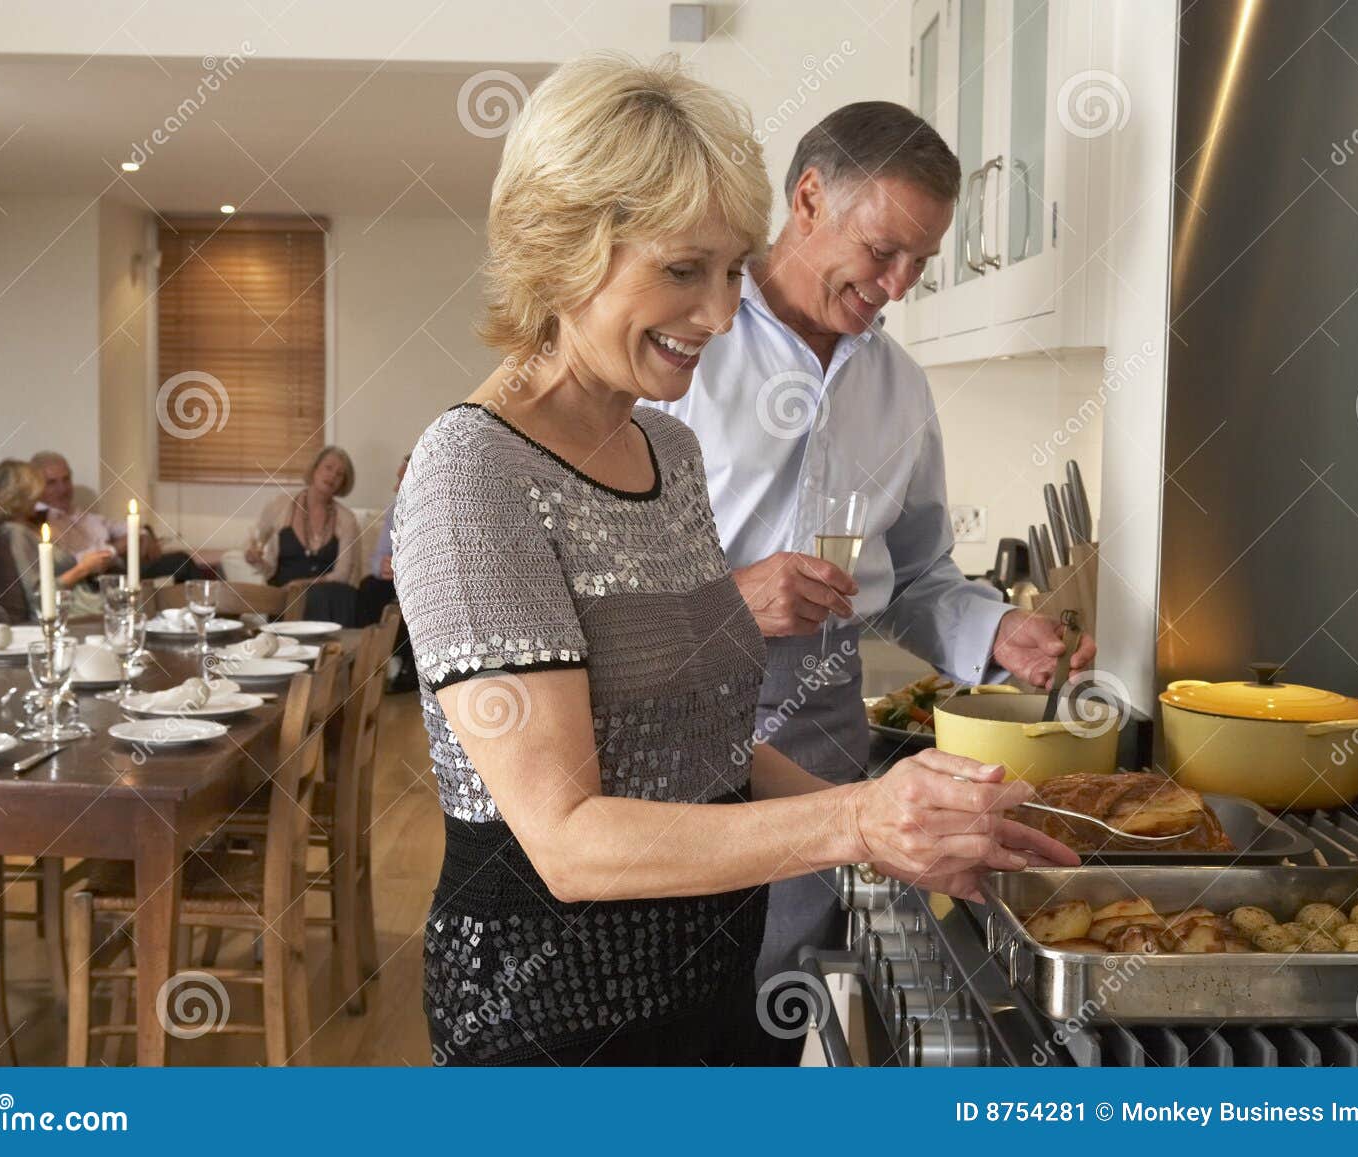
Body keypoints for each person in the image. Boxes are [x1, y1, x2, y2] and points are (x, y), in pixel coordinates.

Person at [392, 53, 1077, 1068]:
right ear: (560, 250)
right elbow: (567, 838)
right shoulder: (472, 472)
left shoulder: (663, 451)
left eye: (725, 271)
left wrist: (919, 809)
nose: (719, 314)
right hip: (552, 1017)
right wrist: (855, 817)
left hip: (708, 968)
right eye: (683, 271)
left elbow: (699, 745)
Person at [650, 100, 1099, 1057]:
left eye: (921, 264)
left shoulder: (900, 389)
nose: (896, 286)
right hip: (670, 716)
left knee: (783, 997)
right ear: (808, 197)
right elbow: (590, 598)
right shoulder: (684, 349)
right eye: (884, 249)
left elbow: (926, 575)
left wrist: (996, 634)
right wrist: (733, 601)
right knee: (673, 992)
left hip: (822, 722)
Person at [30, 451, 207, 583]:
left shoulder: (76, 512)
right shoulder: (42, 520)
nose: (63, 489)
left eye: (66, 479)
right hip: (92, 580)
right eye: (52, 483)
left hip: (120, 566)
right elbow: (74, 561)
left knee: (182, 561)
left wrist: (144, 534)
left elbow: (119, 526)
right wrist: (117, 547)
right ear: (37, 486)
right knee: (181, 562)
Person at [245, 445, 364, 625]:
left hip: (328, 598)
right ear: (315, 468)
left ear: (343, 483)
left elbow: (342, 575)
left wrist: (302, 584)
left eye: (339, 474)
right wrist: (254, 556)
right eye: (328, 468)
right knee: (308, 598)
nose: (332, 476)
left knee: (342, 596)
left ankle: (330, 650)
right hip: (285, 597)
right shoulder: (280, 504)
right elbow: (255, 541)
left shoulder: (347, 519)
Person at [0, 458, 112, 619]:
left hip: (81, 602)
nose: (40, 496)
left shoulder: (31, 527)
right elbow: (35, 593)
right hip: (65, 612)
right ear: (22, 496)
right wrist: (83, 569)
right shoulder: (16, 533)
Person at [355, 454, 415, 689]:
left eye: (401, 480)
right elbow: (378, 557)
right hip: (396, 580)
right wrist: (382, 566)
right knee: (369, 586)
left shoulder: (442, 509)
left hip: (422, 582)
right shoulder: (394, 512)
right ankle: (372, 663)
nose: (395, 486)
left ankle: (409, 668)